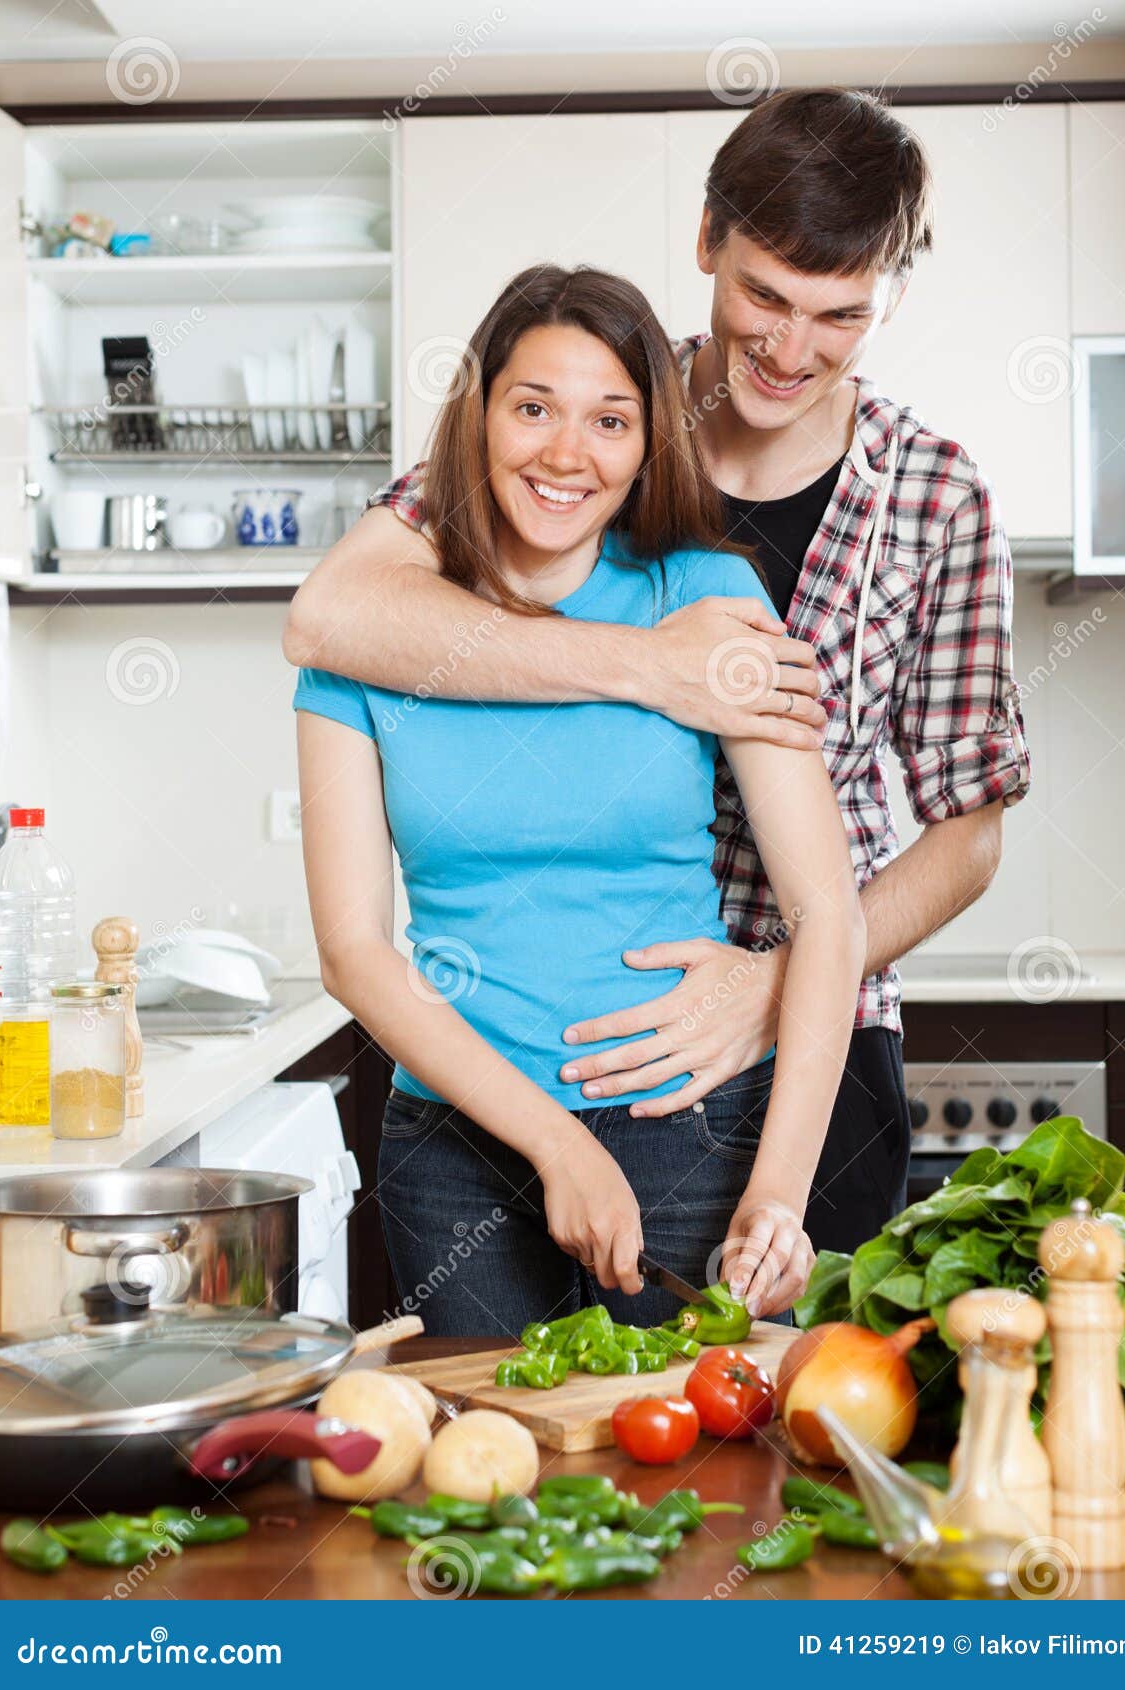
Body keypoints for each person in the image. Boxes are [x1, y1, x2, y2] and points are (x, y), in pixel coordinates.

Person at [285, 88, 1031, 1260]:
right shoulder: (583, 416)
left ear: (890, 297)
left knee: (783, 1419)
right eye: (763, 297)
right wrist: (657, 671)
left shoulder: (938, 498)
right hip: (552, 1052)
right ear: (705, 243)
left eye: (839, 316)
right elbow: (332, 615)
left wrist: (773, 983)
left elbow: (968, 835)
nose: (789, 351)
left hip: (817, 1048)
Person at [293, 265, 865, 1338]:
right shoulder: (372, 634)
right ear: (477, 415)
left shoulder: (706, 599)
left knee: (695, 1482)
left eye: (611, 418)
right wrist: (555, 1140)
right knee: (492, 1476)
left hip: (684, 1120)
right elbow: (354, 952)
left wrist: (777, 1194)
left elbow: (828, 913)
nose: (567, 454)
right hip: (452, 1142)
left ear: (651, 442)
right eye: (532, 408)